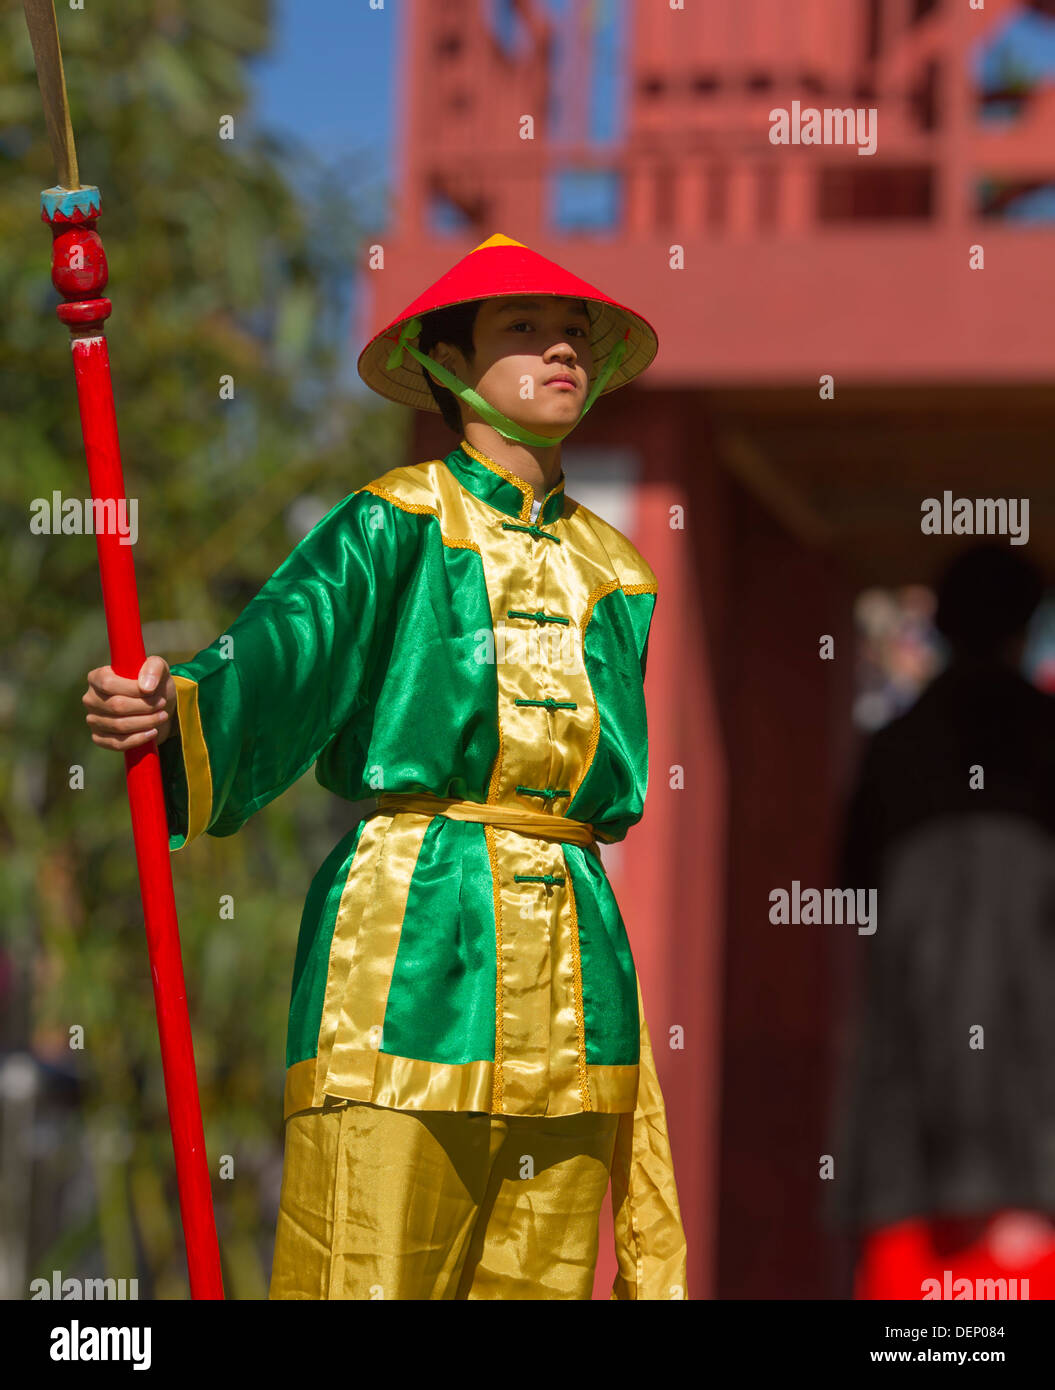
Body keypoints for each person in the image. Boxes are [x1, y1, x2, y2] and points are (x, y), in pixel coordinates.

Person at [81, 232, 689, 1300]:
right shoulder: (391, 522)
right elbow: (283, 649)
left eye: (575, 334)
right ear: (449, 365)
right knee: (368, 1271)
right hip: (409, 943)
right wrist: (173, 711)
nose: (561, 349)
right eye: (523, 329)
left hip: (576, 957)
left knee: (542, 1276)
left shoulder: (621, 569)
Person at [829, 543, 1055, 1298]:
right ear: (1025, 628)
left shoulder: (893, 750)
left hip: (904, 1118)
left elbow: (851, 884)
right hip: (1037, 1120)